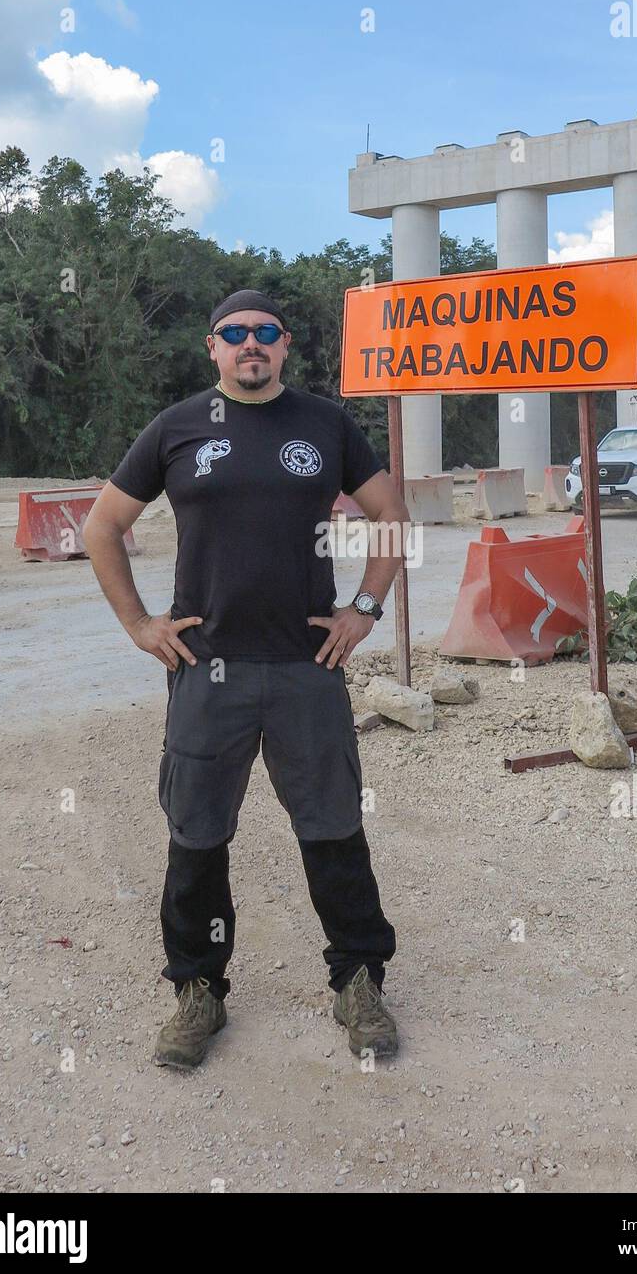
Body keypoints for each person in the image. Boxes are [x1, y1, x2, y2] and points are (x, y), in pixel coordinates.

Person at [84, 289, 409, 1069]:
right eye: (235, 335)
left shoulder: (324, 423)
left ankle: (358, 980)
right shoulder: (177, 427)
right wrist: (138, 625)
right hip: (205, 669)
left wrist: (364, 608)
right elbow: (103, 526)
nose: (251, 345)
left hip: (306, 665)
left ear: (285, 345)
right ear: (213, 348)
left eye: (265, 334)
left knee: (333, 828)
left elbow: (389, 515)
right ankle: (199, 993)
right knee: (196, 836)